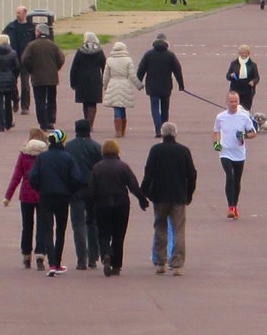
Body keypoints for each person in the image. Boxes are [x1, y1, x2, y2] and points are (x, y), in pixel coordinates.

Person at [25, 128, 87, 276]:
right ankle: (58, 263)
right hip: (63, 198)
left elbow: (32, 177)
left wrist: (40, 189)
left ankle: (51, 263)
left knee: (47, 230)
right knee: (60, 230)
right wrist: (70, 191)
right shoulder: (68, 158)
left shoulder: (42, 158)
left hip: (46, 197)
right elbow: (77, 179)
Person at [142, 122, 197, 275]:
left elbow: (148, 173)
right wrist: (189, 194)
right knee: (178, 229)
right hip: (179, 196)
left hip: (160, 196)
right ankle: (177, 263)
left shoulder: (156, 150)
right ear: (175, 134)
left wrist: (144, 193)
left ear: (162, 133)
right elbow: (192, 175)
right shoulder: (184, 151)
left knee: (160, 227)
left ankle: (160, 262)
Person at [87, 138, 149, 276]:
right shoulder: (123, 167)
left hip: (102, 205)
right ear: (117, 151)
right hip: (121, 204)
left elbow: (91, 190)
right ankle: (116, 265)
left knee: (103, 233)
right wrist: (142, 199)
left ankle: (105, 254)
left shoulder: (97, 167)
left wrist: (90, 210)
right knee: (118, 235)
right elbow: (133, 185)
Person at [2, 127, 47, 268]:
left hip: (26, 194)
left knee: (27, 226)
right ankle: (40, 255)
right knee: (42, 226)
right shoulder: (46, 156)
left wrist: (8, 196)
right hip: (43, 195)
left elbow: (16, 176)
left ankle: (26, 255)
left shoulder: (23, 155)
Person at [64, 118, 104, 271]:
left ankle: (82, 259)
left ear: (76, 130)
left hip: (75, 190)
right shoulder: (96, 147)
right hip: (93, 190)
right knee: (92, 223)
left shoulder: (68, 147)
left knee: (78, 225)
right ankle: (94, 257)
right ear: (89, 130)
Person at [212, 91, 256, 220]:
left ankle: (235, 205)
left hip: (239, 153)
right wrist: (216, 144)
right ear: (226, 102)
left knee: (237, 180)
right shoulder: (220, 117)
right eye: (231, 101)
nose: (233, 104)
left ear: (238, 102)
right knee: (229, 176)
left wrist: (244, 136)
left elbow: (253, 133)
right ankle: (230, 206)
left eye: (235, 101)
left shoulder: (244, 117)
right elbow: (215, 132)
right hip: (225, 152)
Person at [135, 34, 184, 134]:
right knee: (165, 109)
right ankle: (164, 129)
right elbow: (177, 70)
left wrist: (138, 81)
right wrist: (181, 85)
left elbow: (141, 69)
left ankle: (158, 129)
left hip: (152, 86)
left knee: (154, 108)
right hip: (166, 86)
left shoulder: (148, 54)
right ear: (166, 43)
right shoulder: (170, 55)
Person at [21, 25, 65, 130]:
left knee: (39, 100)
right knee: (51, 99)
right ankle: (51, 120)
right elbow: (61, 59)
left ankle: (43, 123)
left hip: (38, 78)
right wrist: (55, 68)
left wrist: (31, 69)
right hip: (52, 77)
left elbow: (25, 59)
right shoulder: (53, 45)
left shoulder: (31, 45)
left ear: (38, 32)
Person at [67, 32, 106, 132]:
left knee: (85, 102)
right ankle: (90, 123)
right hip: (95, 79)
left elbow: (74, 68)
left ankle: (86, 122)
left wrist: (73, 82)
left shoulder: (80, 51)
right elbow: (104, 66)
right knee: (93, 103)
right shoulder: (99, 51)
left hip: (82, 79)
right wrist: (105, 80)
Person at [100, 38, 138, 139]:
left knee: (116, 107)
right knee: (123, 107)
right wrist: (139, 85)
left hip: (113, 83)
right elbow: (132, 75)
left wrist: (105, 85)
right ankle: (123, 129)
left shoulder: (109, 60)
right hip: (124, 83)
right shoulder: (128, 60)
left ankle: (118, 131)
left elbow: (106, 75)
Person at [1, 5, 36, 113]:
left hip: (26, 60)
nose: (17, 15)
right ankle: (15, 101)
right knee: (12, 83)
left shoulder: (31, 28)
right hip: (13, 59)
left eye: (19, 13)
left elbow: (35, 43)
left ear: (25, 13)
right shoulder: (11, 27)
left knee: (25, 85)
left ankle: (25, 107)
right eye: (16, 13)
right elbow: (3, 39)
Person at [0, 33, 21, 131]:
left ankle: (1, 125)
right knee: (8, 102)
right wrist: (14, 76)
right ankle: (8, 123)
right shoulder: (13, 53)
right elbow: (17, 67)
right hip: (9, 80)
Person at [225, 45, 260, 112]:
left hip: (247, 89)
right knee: (235, 108)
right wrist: (231, 75)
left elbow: (257, 77)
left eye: (245, 53)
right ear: (239, 53)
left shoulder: (253, 65)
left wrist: (253, 81)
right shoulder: (234, 63)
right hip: (235, 88)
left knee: (246, 110)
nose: (244, 54)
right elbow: (227, 76)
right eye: (242, 53)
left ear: (248, 53)